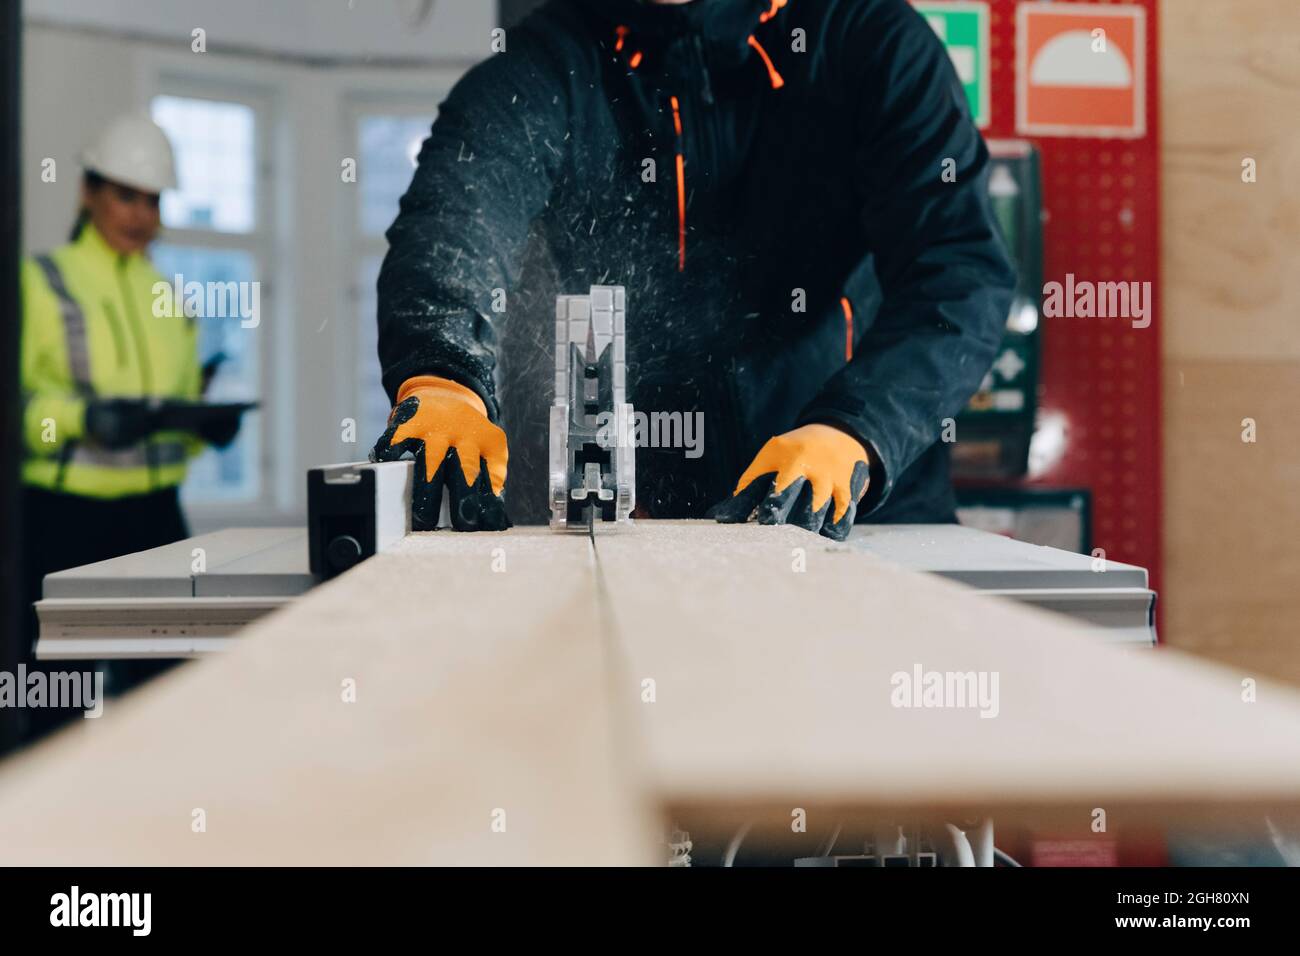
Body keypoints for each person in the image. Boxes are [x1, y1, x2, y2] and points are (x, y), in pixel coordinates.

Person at [371, 0, 1016, 538]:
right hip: (645, 523)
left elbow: (958, 272)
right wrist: (443, 375)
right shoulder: (552, 61)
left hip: (859, 509)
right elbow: (458, 211)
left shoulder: (871, 41)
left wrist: (855, 431)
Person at [19, 113, 245, 736]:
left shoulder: (169, 297)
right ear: (88, 192)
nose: (140, 214)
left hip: (154, 521)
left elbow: (164, 408)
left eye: (152, 199)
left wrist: (202, 423)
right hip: (62, 522)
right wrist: (81, 418)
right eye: (125, 195)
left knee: (169, 699)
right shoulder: (39, 284)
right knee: (52, 705)